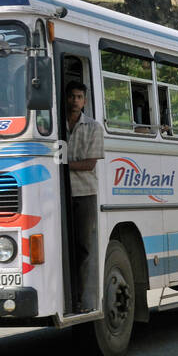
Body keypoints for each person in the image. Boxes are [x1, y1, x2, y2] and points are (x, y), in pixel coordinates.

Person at [64, 80, 104, 312]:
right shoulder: (53, 124)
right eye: (72, 96)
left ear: (85, 101)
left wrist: (63, 164)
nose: (75, 101)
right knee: (65, 247)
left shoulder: (93, 127)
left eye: (79, 97)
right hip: (59, 192)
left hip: (84, 193)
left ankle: (84, 300)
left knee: (84, 248)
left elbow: (89, 164)